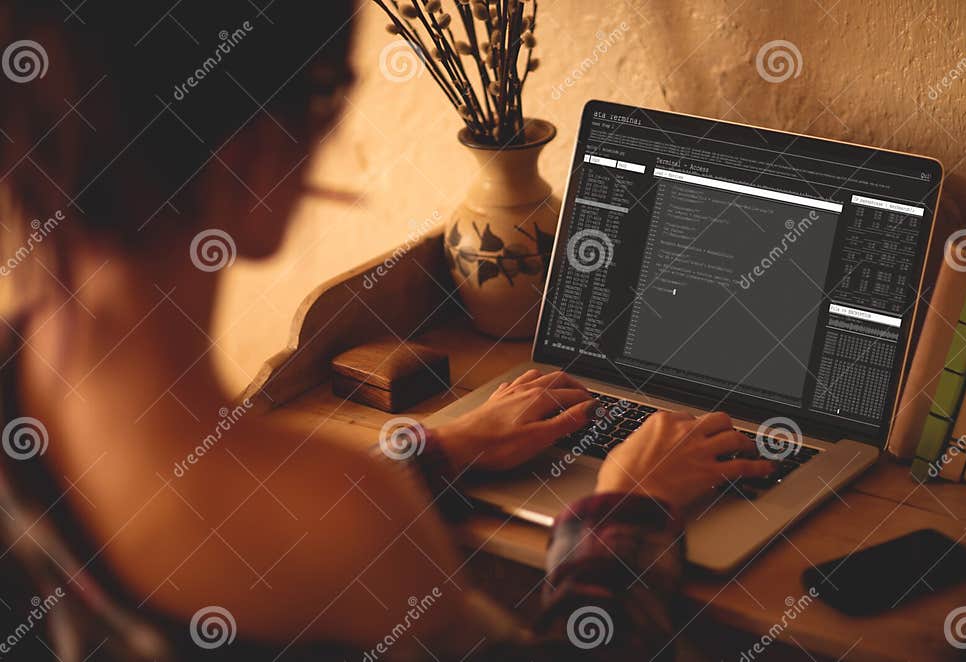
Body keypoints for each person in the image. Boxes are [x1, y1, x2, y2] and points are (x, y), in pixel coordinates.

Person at [0, 2, 775, 659]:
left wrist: (440, 451)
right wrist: (630, 505)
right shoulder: (349, 517)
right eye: (326, 99)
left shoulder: (21, 384)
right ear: (252, 158)